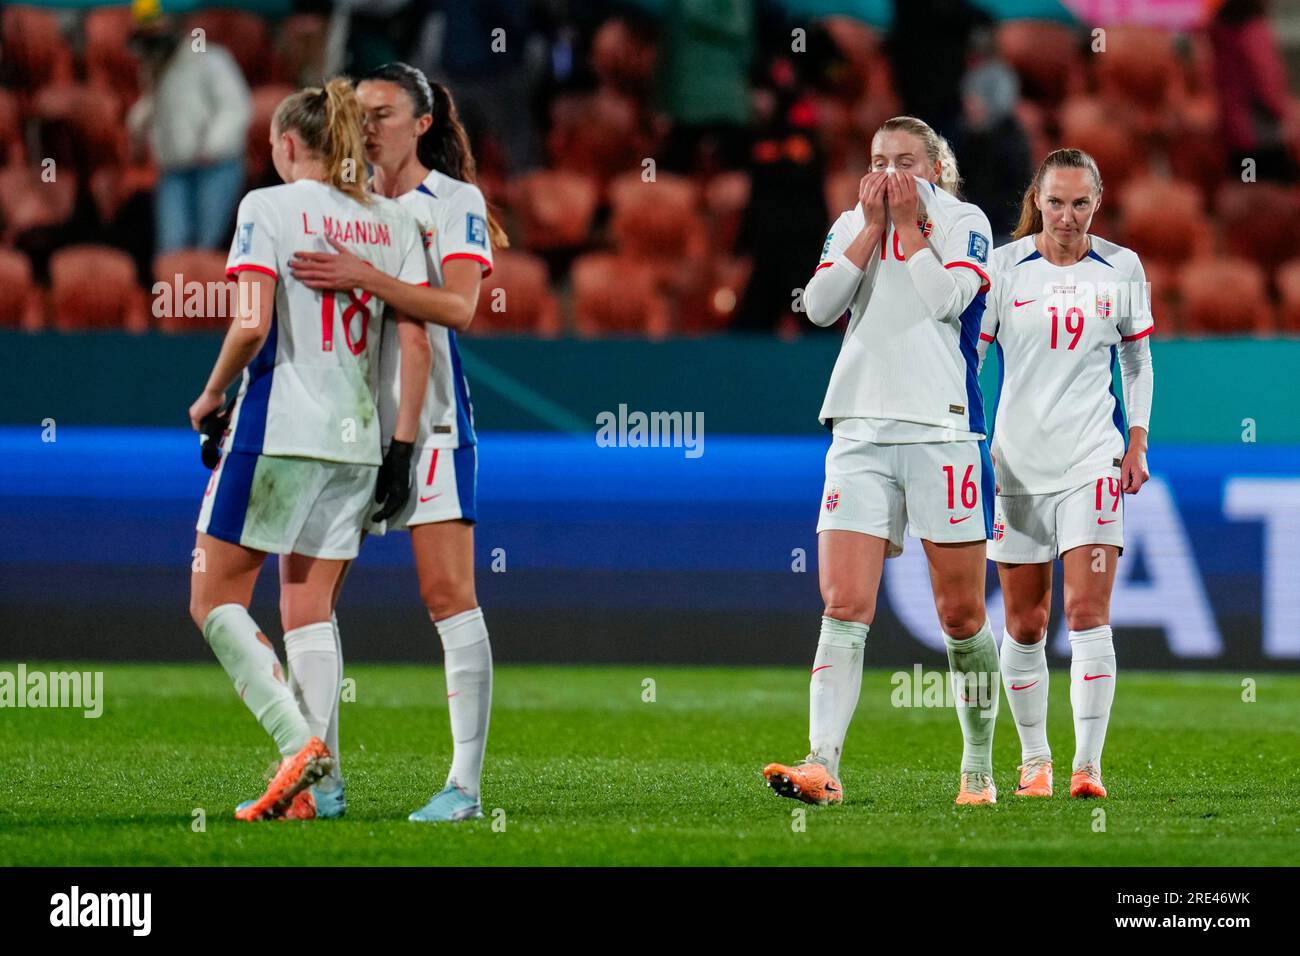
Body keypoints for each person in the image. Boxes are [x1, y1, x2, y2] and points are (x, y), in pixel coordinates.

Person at [187, 78, 431, 822]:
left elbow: (253, 324)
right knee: (308, 606)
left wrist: (210, 395)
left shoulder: (267, 206)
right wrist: (400, 447)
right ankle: (321, 793)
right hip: (358, 442)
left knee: (213, 598)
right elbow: (414, 337)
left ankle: (299, 745)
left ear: (288, 144)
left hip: (279, 427)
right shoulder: (391, 220)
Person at [288, 63, 507, 823]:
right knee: (307, 595)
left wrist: (361, 274)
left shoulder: (452, 202)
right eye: (359, 112)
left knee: (448, 596)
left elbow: (458, 307)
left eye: (384, 112)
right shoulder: (333, 202)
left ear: (421, 123)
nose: (368, 124)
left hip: (434, 424)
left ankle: (465, 787)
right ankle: (319, 781)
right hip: (341, 428)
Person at [762, 116, 1002, 807]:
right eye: (877, 160)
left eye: (905, 162)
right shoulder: (849, 225)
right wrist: (871, 229)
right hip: (860, 429)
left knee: (960, 615)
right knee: (843, 604)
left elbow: (948, 301)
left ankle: (978, 767)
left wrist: (911, 229)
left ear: (935, 169)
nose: (889, 175)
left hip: (942, 430)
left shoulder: (963, 222)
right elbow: (819, 308)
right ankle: (822, 763)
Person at [981, 148, 1153, 800]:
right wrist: (967, 436)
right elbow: (974, 358)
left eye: (1081, 203)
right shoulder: (1004, 267)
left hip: (1092, 460)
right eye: (1056, 202)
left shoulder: (1122, 268)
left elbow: (1137, 364)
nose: (1067, 216)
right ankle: (1035, 763)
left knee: (1086, 612)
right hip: (1018, 464)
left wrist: (1135, 441)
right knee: (1026, 622)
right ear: (1039, 199)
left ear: (1097, 203)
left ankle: (1088, 766)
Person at [126, 7, 252, 253]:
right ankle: (172, 292)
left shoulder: (211, 59)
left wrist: (212, 146)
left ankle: (202, 292)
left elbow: (235, 107)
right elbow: (156, 104)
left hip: (215, 166)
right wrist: (136, 125)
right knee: (171, 247)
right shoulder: (157, 67)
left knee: (205, 246)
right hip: (174, 169)